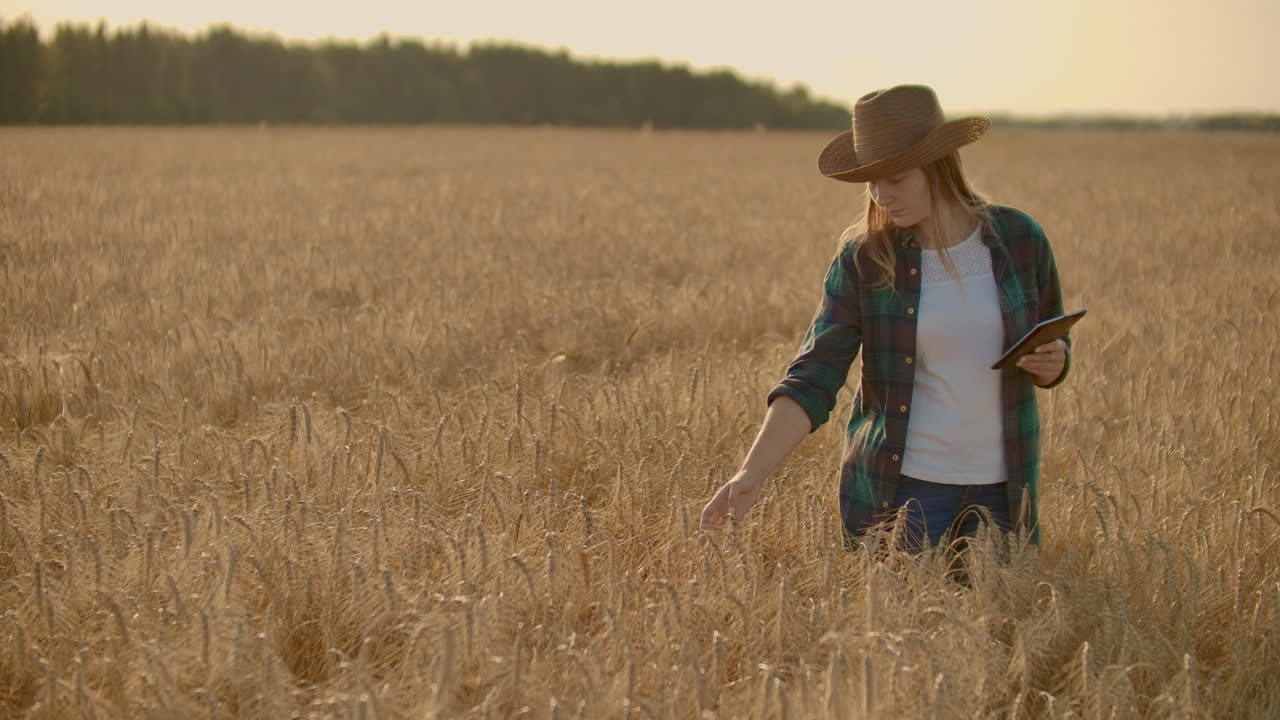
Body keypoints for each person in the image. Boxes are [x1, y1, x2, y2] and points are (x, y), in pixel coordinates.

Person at [698, 84, 1073, 557]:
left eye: (894, 178)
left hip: (1003, 492)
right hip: (905, 496)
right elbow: (813, 375)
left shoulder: (1020, 239)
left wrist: (1054, 363)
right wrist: (750, 474)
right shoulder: (866, 258)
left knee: (1000, 628)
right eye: (870, 181)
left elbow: (1053, 340)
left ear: (938, 167)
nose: (879, 195)